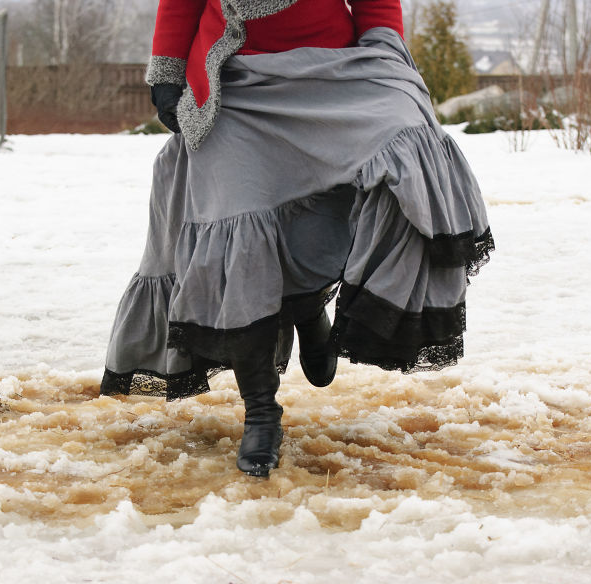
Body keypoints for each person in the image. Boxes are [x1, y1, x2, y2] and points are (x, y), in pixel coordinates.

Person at [101, 0, 494, 477]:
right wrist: (168, 69)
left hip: (337, 76)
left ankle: (308, 306)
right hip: (234, 85)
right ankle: (261, 412)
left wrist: (384, 53)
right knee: (235, 233)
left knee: (384, 165)